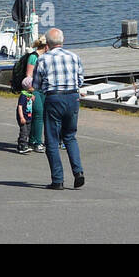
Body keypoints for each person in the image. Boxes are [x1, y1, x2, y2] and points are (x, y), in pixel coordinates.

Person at [32, 28, 85, 190]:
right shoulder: (74, 57)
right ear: (62, 41)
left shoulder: (43, 59)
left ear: (47, 44)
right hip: (72, 97)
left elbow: (37, 85)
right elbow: (80, 80)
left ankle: (58, 180)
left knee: (52, 140)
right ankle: (78, 172)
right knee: (70, 136)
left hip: (54, 98)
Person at [25, 35, 49, 154]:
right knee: (38, 114)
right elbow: (28, 76)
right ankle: (37, 142)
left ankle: (33, 140)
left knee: (41, 115)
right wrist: (30, 91)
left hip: (43, 89)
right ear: (46, 46)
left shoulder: (45, 57)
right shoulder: (33, 57)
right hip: (34, 89)